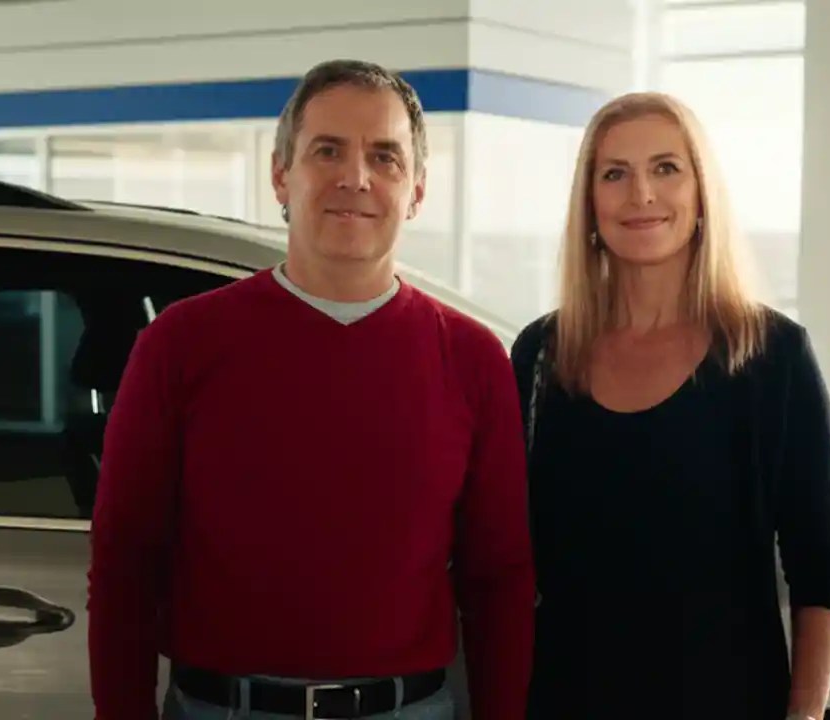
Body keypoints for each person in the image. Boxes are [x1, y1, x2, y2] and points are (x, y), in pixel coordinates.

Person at [87, 59, 536, 720]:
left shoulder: (472, 359)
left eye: (385, 156)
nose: (355, 177)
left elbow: (498, 582)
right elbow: (125, 566)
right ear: (280, 175)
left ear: (415, 189)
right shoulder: (181, 345)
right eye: (328, 150)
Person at [511, 92, 830, 719]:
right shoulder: (539, 356)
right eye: (615, 173)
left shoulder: (772, 356)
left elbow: (818, 564)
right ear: (589, 204)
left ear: (701, 195)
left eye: (665, 168)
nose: (641, 194)